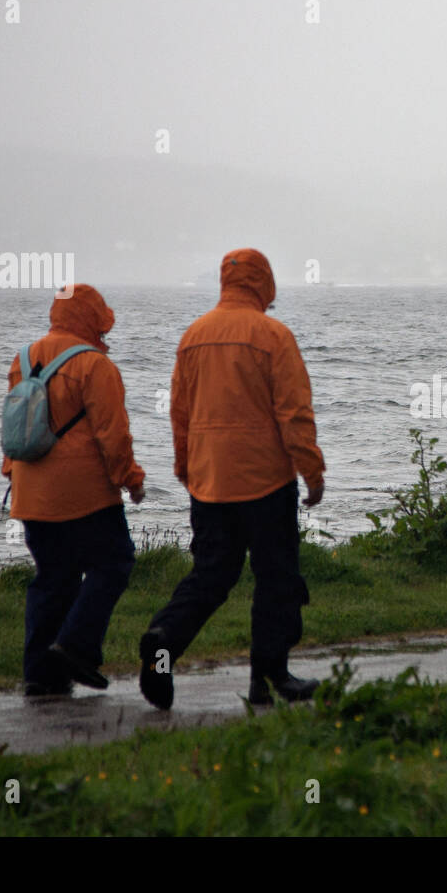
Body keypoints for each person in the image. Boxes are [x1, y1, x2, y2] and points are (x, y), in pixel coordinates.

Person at [139, 248, 325, 709]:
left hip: (210, 482)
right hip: (265, 481)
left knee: (210, 578)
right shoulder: (273, 335)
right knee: (275, 579)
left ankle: (163, 641)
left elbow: (179, 415)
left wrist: (186, 468)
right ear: (265, 284)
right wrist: (312, 471)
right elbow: (294, 415)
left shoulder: (193, 336)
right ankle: (268, 680)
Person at [2, 284, 145, 695]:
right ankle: (77, 646)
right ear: (92, 316)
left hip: (30, 490)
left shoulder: (24, 357)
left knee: (52, 579)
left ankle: (40, 675)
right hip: (84, 493)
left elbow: (15, 425)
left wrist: (11, 474)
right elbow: (112, 436)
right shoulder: (95, 365)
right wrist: (131, 480)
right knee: (113, 563)